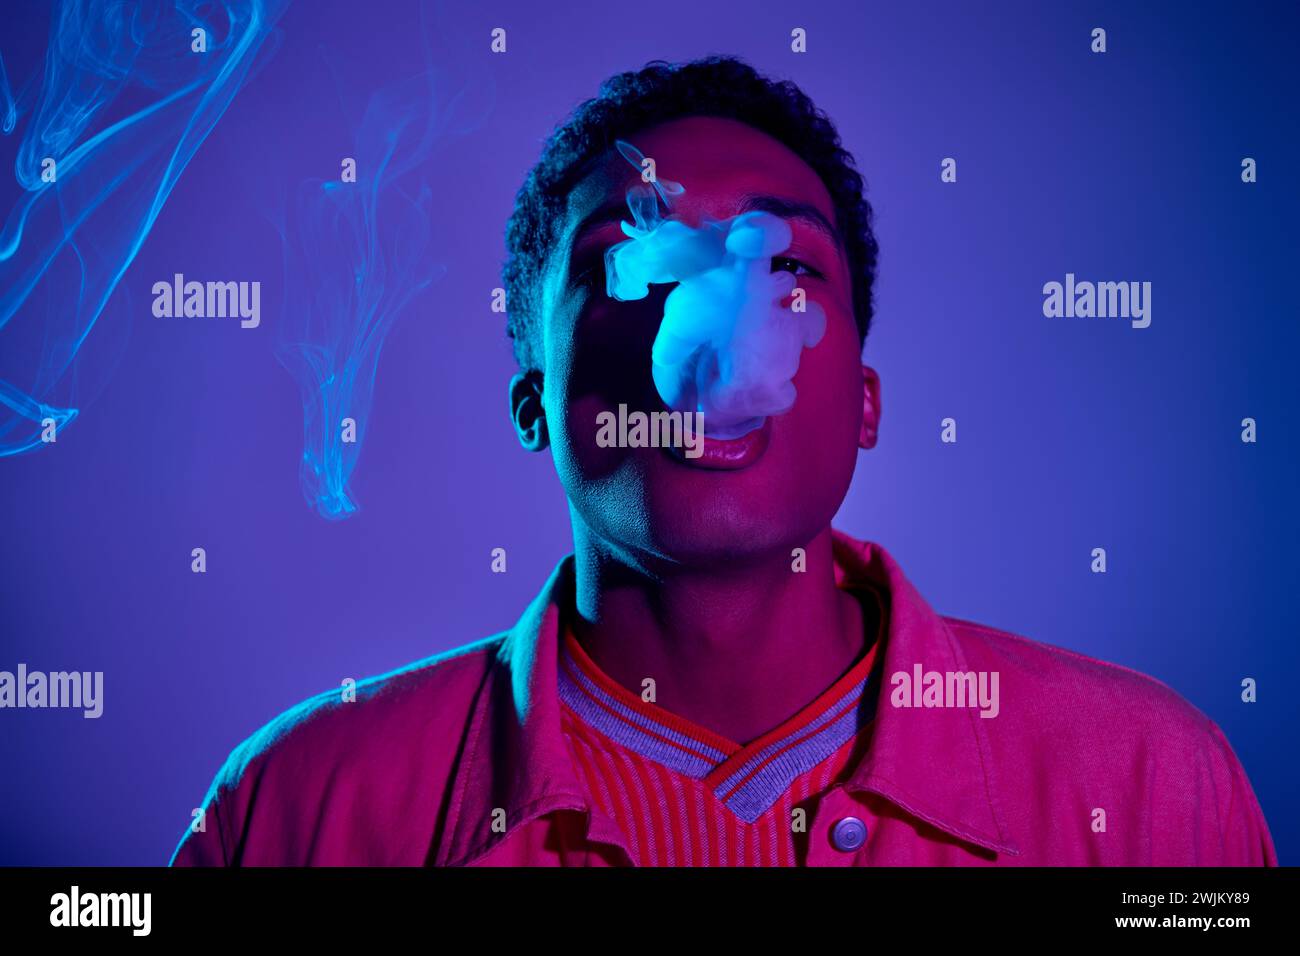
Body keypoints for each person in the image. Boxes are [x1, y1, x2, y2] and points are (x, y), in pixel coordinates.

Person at [171, 56, 1275, 867]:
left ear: (866, 403)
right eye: (629, 266)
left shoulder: (1149, 790)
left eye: (782, 266)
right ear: (534, 404)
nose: (702, 342)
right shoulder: (296, 812)